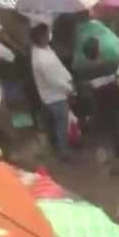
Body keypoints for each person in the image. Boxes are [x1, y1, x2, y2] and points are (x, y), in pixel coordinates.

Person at [31, 24, 75, 161]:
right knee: (61, 126)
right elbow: (54, 80)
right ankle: (64, 152)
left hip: (53, 95)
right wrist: (69, 89)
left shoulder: (44, 50)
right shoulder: (42, 59)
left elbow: (59, 67)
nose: (49, 35)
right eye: (47, 33)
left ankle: (59, 148)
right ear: (41, 37)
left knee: (57, 125)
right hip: (55, 97)